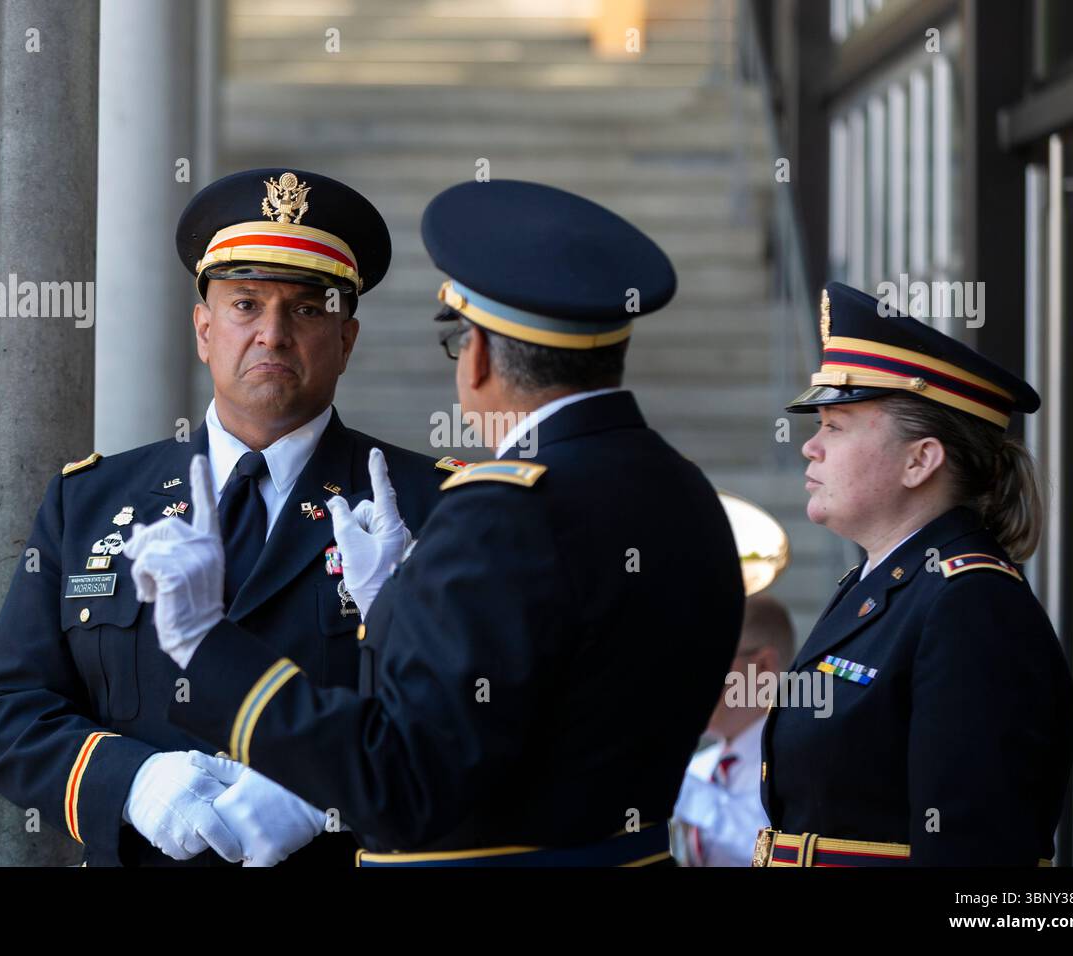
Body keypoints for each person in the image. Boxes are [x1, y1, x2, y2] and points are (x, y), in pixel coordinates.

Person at [127, 179, 747, 866]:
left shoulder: (505, 511)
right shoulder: (684, 489)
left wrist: (206, 645)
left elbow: (404, 789)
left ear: (476, 356)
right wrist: (396, 605)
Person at [0, 168, 447, 867]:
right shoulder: (90, 501)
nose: (272, 334)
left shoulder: (428, 506)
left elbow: (476, 723)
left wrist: (332, 795)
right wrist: (131, 780)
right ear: (204, 329)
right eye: (245, 305)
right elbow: (10, 708)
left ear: (347, 340)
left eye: (306, 310)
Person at [754, 281, 1073, 867]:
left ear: (920, 460)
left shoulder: (972, 605)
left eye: (836, 425)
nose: (811, 448)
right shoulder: (882, 585)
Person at [672, 594, 791, 866]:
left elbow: (771, 851)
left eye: (710, 661)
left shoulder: (794, 763)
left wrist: (681, 787)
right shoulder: (699, 768)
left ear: (764, 667)